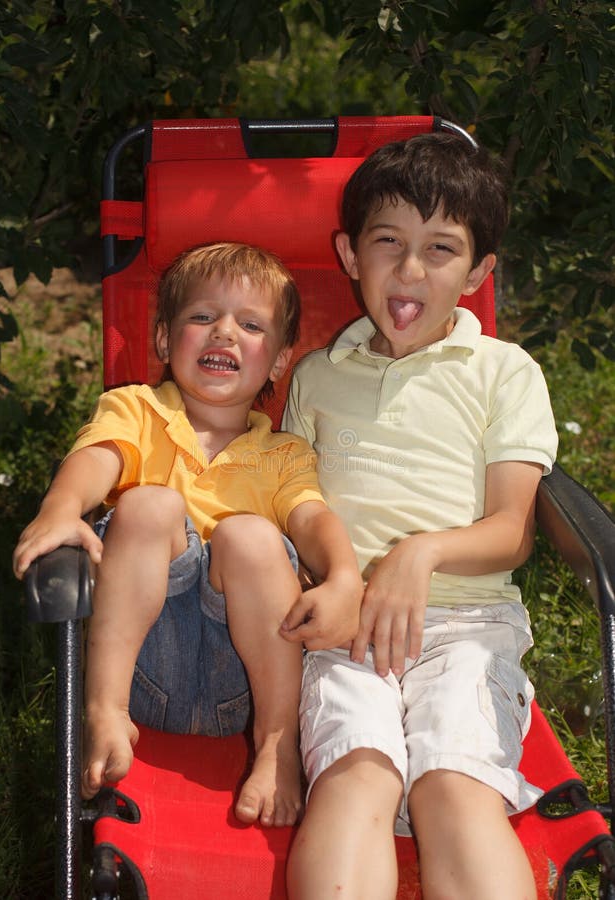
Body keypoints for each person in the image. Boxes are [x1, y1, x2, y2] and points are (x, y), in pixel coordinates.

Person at [281, 132, 559, 898]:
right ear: (348, 255)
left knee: (452, 785)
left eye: (440, 250)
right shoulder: (315, 376)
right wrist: (335, 581)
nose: (409, 270)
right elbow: (294, 511)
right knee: (354, 776)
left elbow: (510, 531)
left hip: (468, 628)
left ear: (477, 274)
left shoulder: (502, 371)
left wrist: (419, 552)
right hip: (345, 630)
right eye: (387, 243)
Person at [13, 241, 363, 829]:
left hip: (245, 683)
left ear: (278, 361)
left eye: (250, 325)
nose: (223, 333)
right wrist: (61, 508)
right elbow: (98, 458)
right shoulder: (136, 410)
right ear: (163, 339)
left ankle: (277, 746)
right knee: (148, 506)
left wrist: (345, 576)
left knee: (252, 538)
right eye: (202, 317)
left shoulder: (283, 454)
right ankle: (102, 710)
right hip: (141, 670)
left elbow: (311, 518)